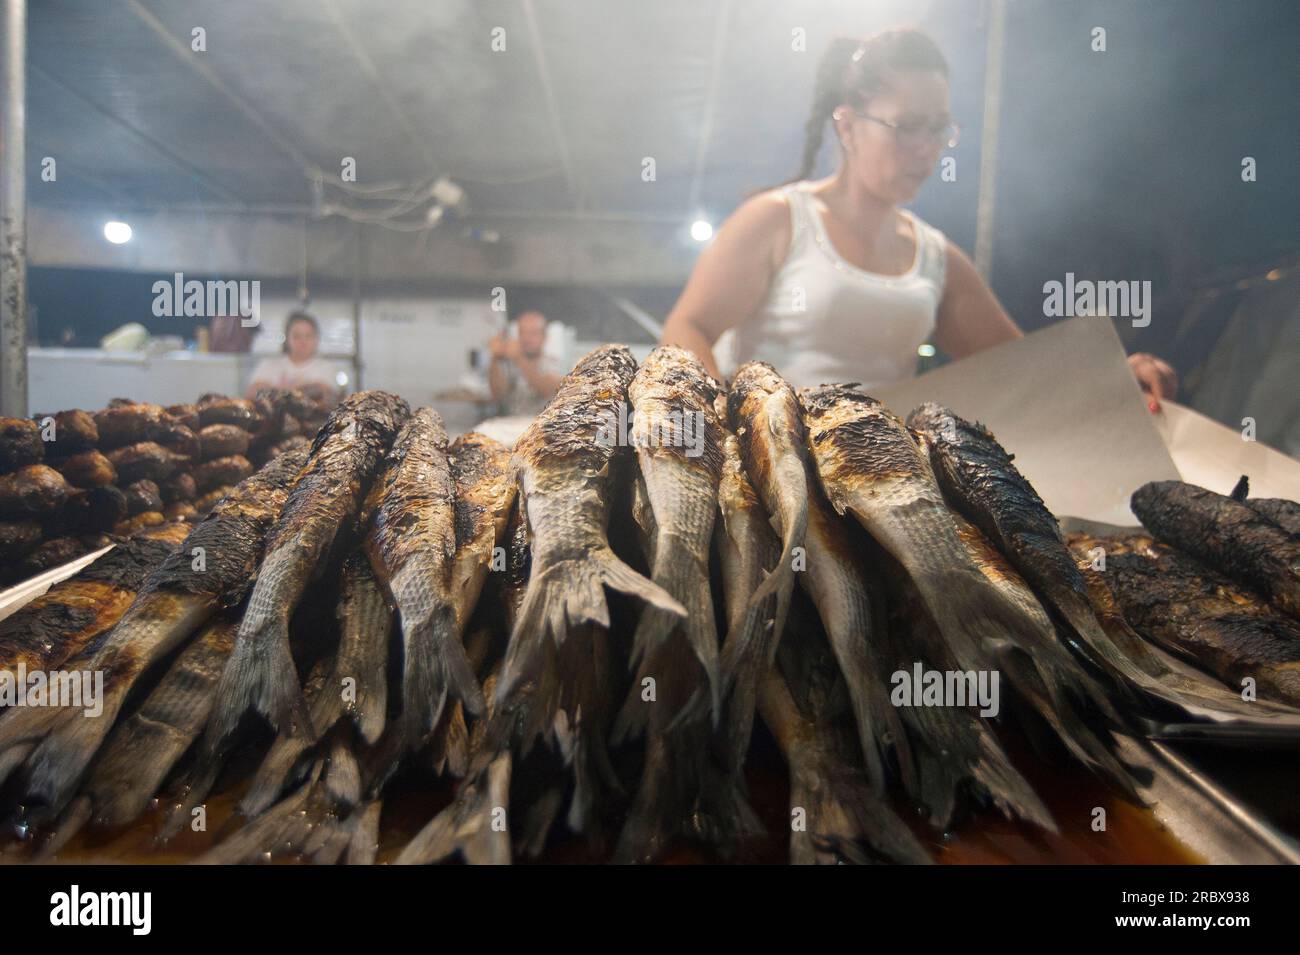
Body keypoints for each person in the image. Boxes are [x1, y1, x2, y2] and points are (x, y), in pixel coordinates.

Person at [660, 29, 1178, 410]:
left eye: (937, 129)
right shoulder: (778, 219)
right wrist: (723, 419)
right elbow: (689, 325)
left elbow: (1026, 369)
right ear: (847, 125)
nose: (925, 149)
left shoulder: (937, 257)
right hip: (772, 467)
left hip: (881, 480)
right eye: (906, 126)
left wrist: (1114, 376)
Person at [245, 311, 341, 404]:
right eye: (297, 336)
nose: (303, 342)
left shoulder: (326, 367)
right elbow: (252, 393)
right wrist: (296, 392)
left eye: (308, 336)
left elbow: (326, 393)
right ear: (287, 339)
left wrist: (279, 392)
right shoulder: (268, 365)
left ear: (316, 339)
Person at [487, 309, 563, 416]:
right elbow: (497, 394)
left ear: (545, 337)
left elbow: (547, 390)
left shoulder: (552, 361)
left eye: (533, 333)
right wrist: (495, 358)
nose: (527, 338)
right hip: (512, 426)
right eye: (522, 332)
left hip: (543, 428)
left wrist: (519, 358)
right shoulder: (511, 362)